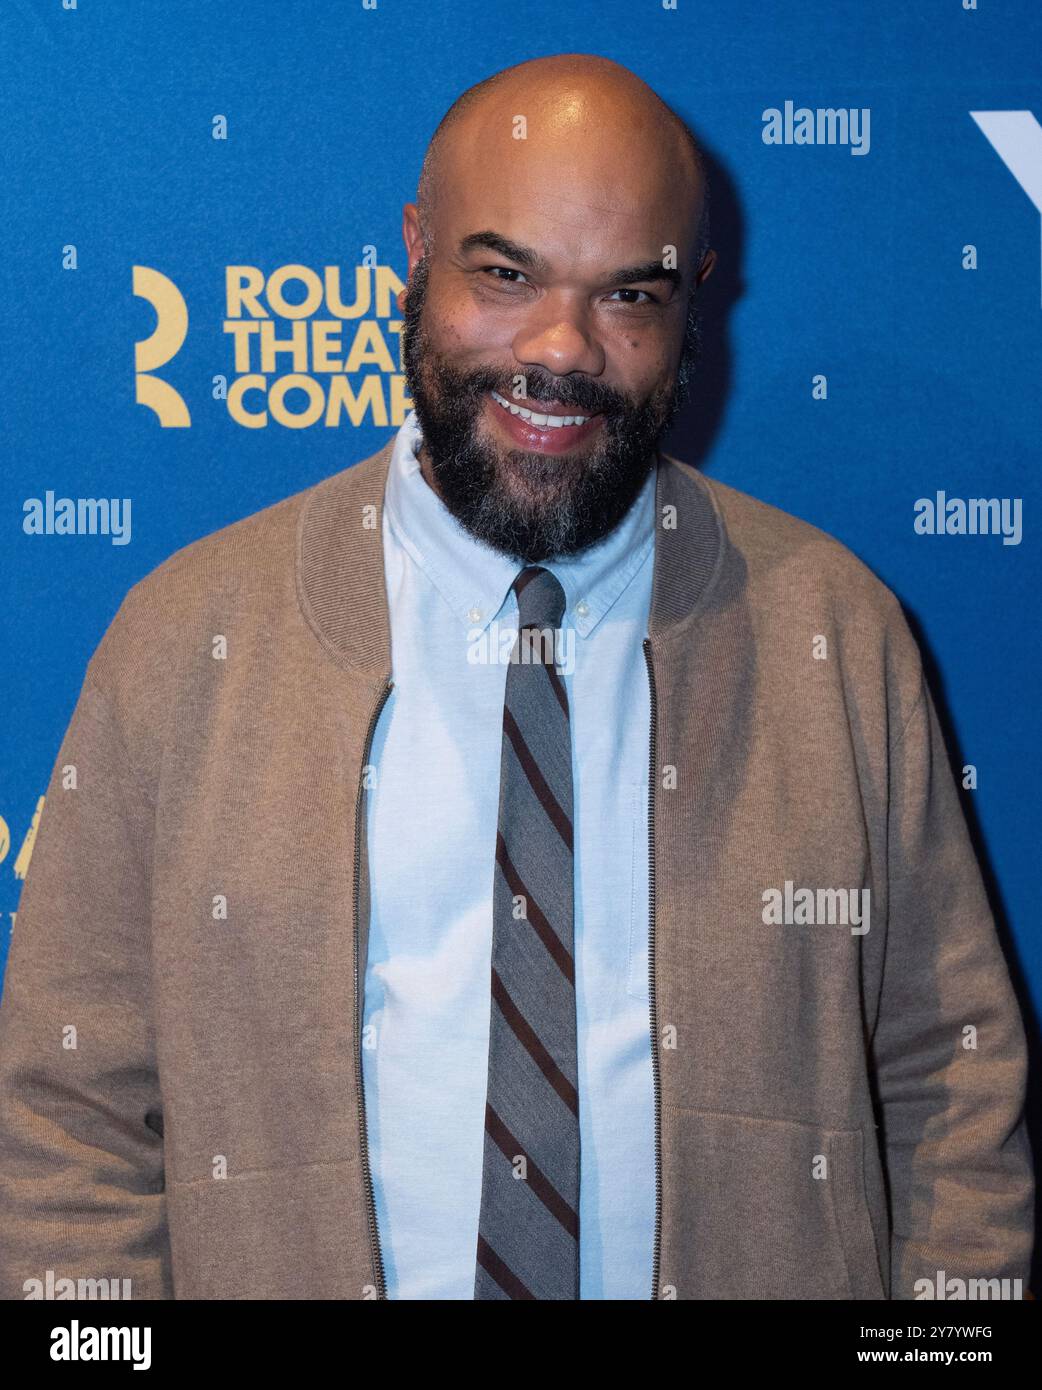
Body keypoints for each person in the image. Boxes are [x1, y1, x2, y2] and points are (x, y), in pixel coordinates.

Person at [0, 53, 1033, 1302]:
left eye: (628, 298)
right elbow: (70, 1119)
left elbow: (951, 1087)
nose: (562, 348)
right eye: (505, 274)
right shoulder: (182, 639)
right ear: (415, 254)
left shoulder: (837, 632)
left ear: (694, 303)